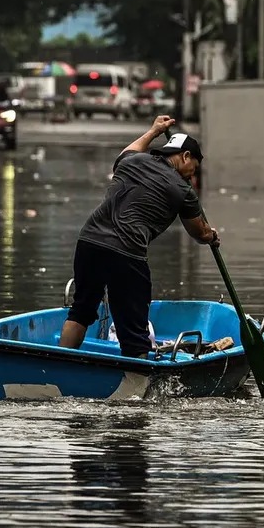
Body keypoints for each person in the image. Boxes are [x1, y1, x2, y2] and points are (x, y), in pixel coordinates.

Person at [59, 115, 219, 358]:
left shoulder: (131, 161)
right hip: (127, 253)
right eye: (193, 169)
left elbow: (129, 150)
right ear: (185, 156)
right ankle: (136, 380)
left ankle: (58, 364)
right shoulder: (182, 189)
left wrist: (154, 131)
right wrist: (211, 236)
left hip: (89, 242)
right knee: (134, 332)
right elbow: (199, 232)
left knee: (80, 312)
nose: (192, 176)